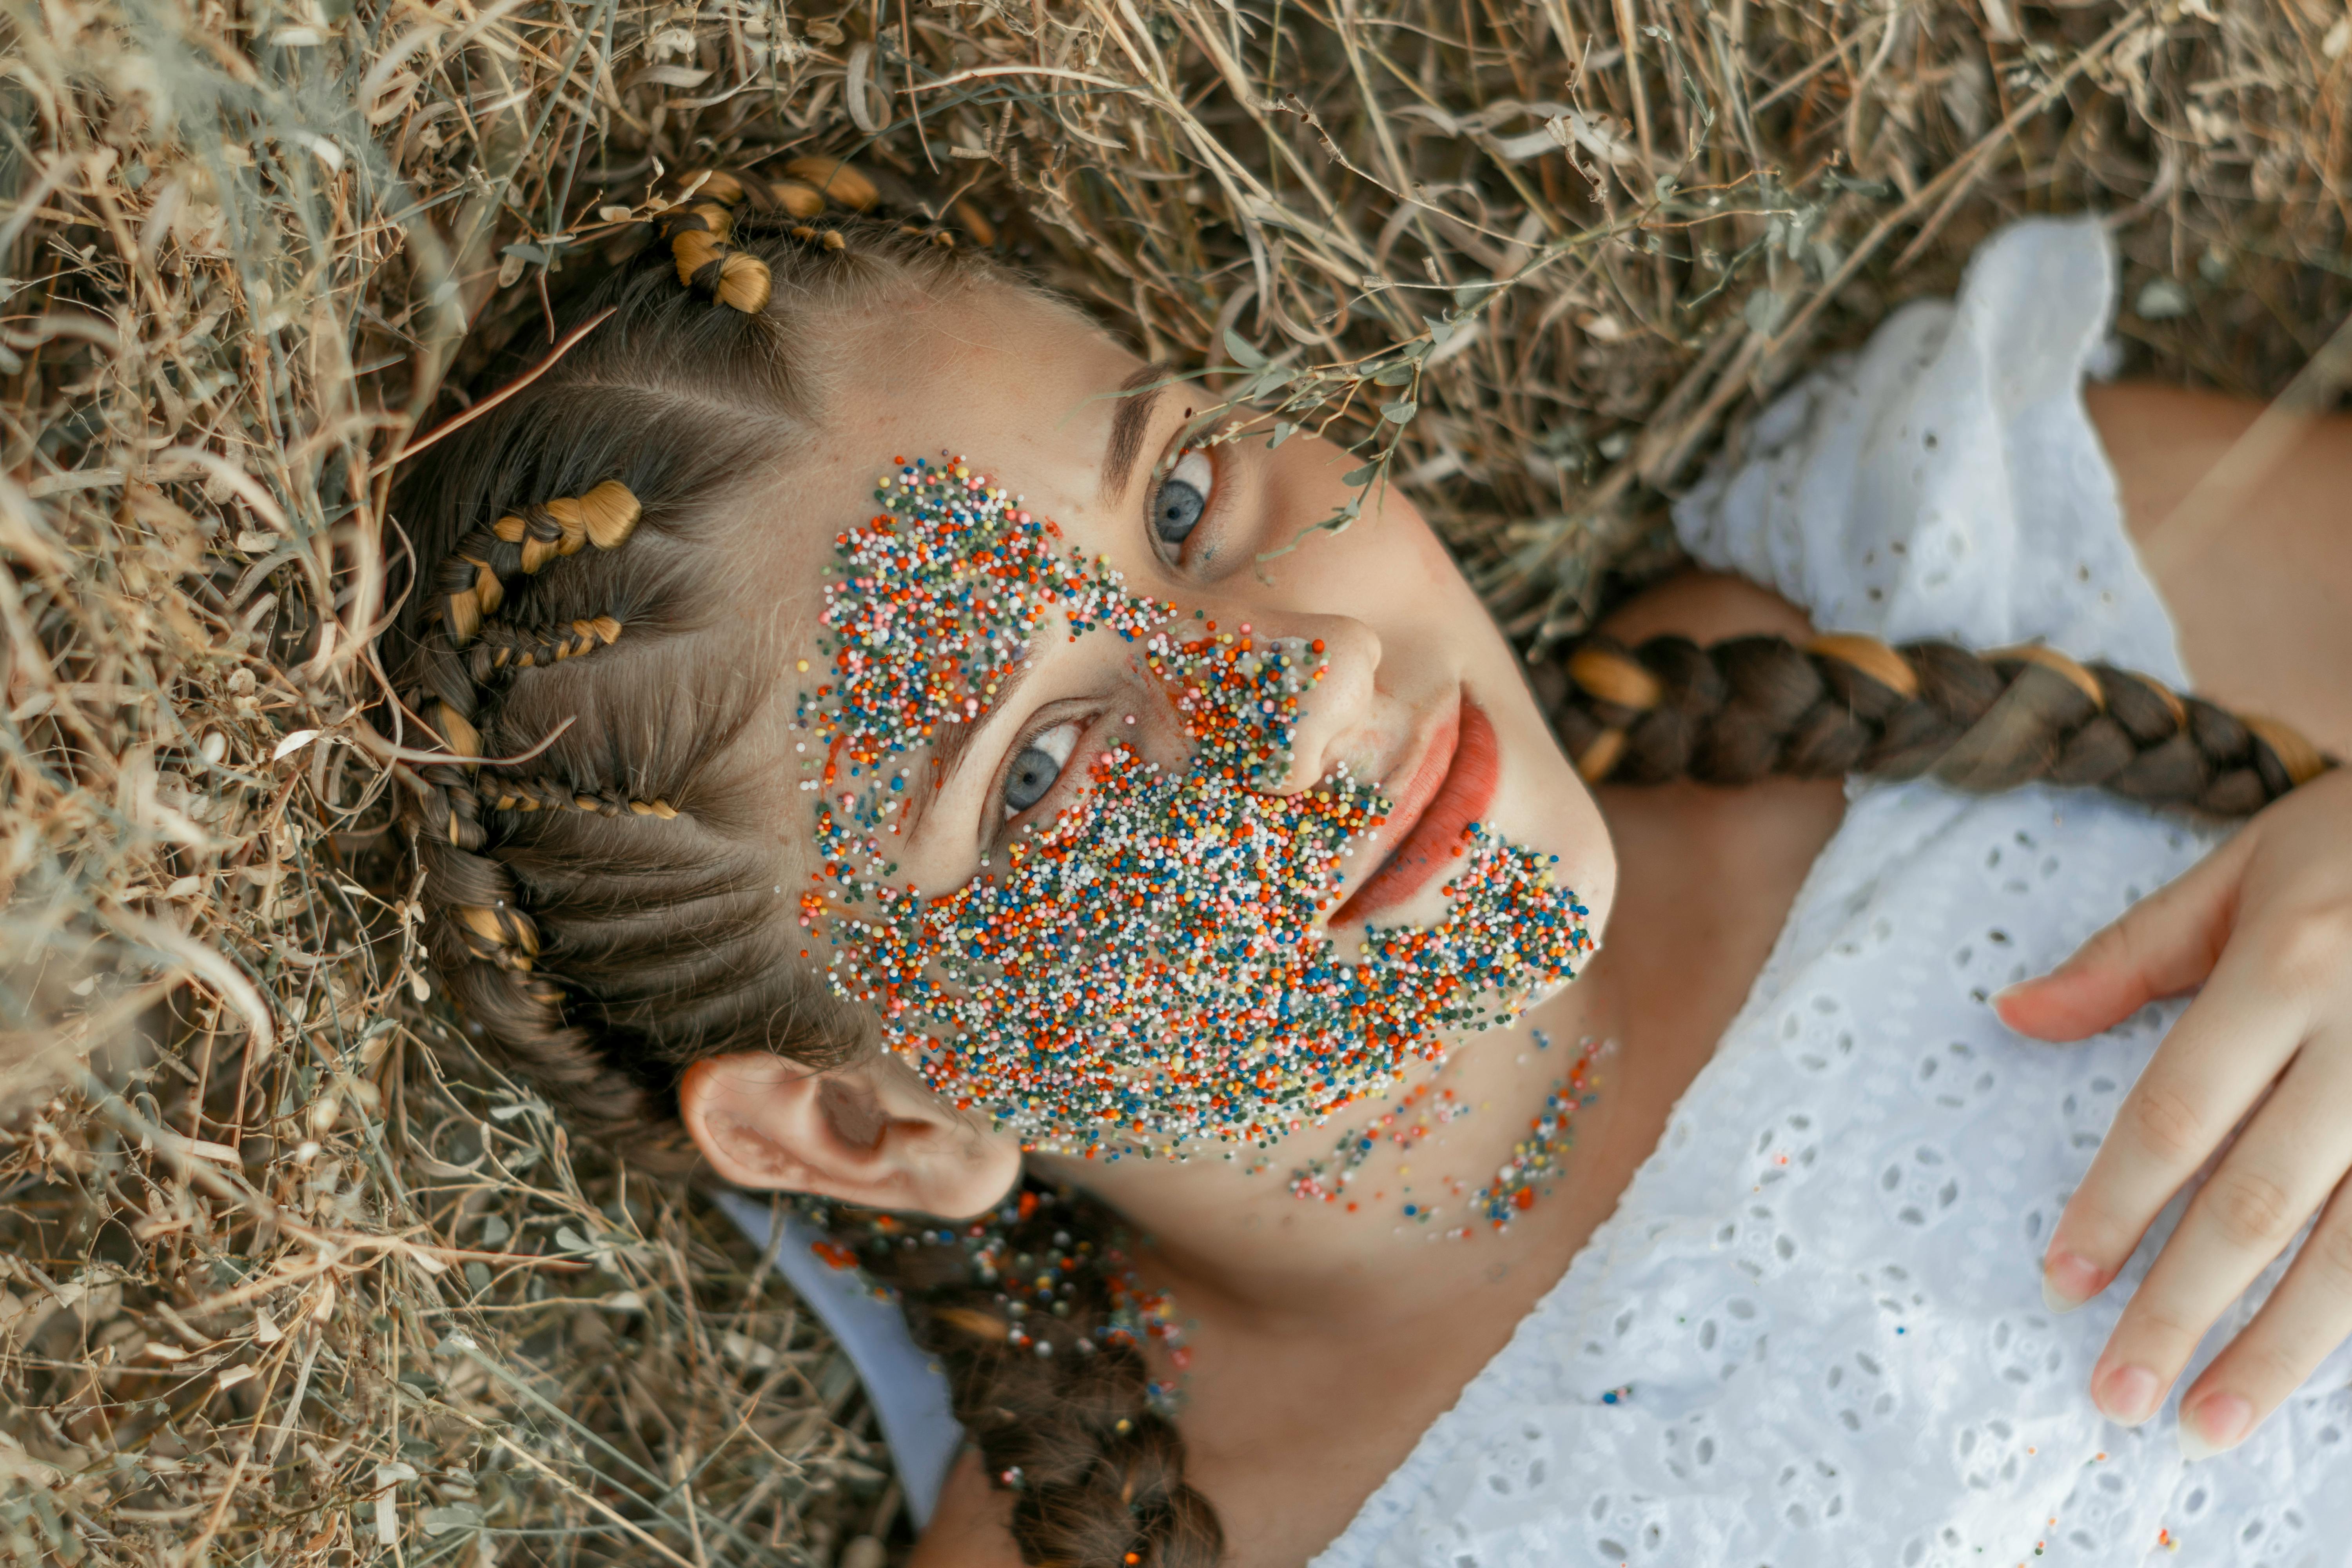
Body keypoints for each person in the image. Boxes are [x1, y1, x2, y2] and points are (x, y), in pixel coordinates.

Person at [388, 192, 2352, 1567]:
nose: (1302, 672)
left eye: (1181, 502)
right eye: (1048, 762)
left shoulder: (1952, 571)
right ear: (862, 1123)